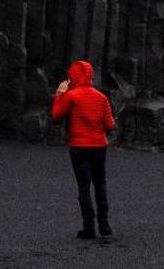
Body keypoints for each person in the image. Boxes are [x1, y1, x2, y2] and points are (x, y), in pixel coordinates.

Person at [51, 60, 116, 239]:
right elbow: (110, 125)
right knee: (100, 184)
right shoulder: (101, 97)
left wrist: (59, 94)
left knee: (84, 186)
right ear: (90, 76)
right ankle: (104, 225)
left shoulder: (71, 96)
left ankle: (89, 227)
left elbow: (56, 117)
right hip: (99, 146)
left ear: (73, 77)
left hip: (79, 148)